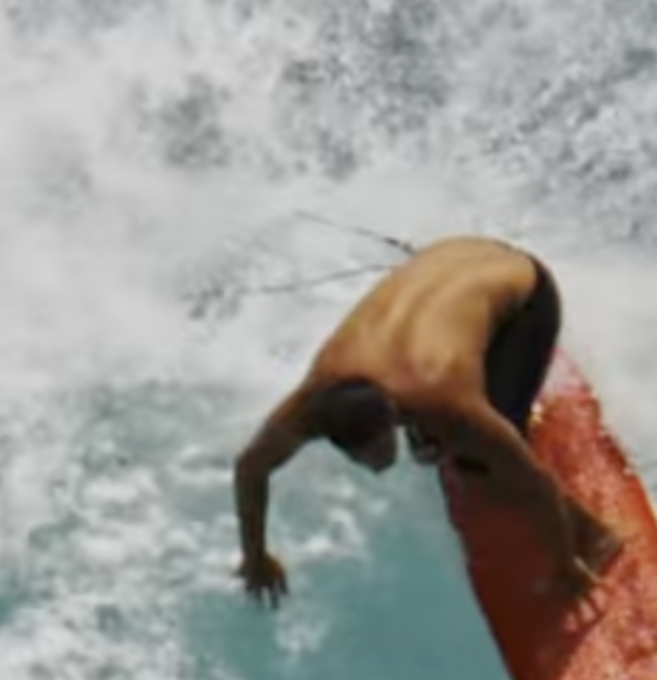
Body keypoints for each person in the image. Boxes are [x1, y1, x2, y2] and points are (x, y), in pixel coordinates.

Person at [233, 234, 622, 607]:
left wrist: (563, 564)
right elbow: (250, 467)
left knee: (479, 467)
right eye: (364, 458)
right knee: (438, 444)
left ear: (392, 414)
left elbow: (533, 480)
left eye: (382, 450)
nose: (378, 467)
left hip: (525, 294)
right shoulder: (311, 402)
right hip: (451, 254)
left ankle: (592, 535)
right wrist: (255, 556)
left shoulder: (441, 398)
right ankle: (483, 386)